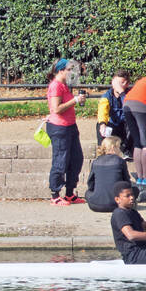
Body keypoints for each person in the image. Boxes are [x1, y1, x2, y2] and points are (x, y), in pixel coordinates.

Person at [45, 57, 87, 205]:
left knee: (76, 159)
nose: (71, 73)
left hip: (70, 126)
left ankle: (70, 193)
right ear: (60, 71)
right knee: (60, 161)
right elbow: (56, 109)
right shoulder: (56, 86)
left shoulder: (64, 85)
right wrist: (75, 100)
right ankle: (55, 194)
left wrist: (77, 100)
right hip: (59, 128)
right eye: (69, 70)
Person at [85, 136, 134, 212]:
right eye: (118, 147)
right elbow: (127, 182)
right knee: (134, 190)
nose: (120, 150)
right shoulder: (120, 161)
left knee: (87, 193)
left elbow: (90, 183)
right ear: (113, 148)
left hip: (95, 205)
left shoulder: (95, 162)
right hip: (117, 204)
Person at [96, 70, 133, 155]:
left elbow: (131, 107)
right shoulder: (107, 96)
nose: (116, 85)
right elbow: (102, 110)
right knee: (99, 125)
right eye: (115, 82)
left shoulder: (130, 94)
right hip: (112, 126)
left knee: (132, 123)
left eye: (120, 83)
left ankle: (127, 151)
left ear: (126, 84)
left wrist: (122, 93)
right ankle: (102, 150)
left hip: (124, 127)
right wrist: (102, 124)